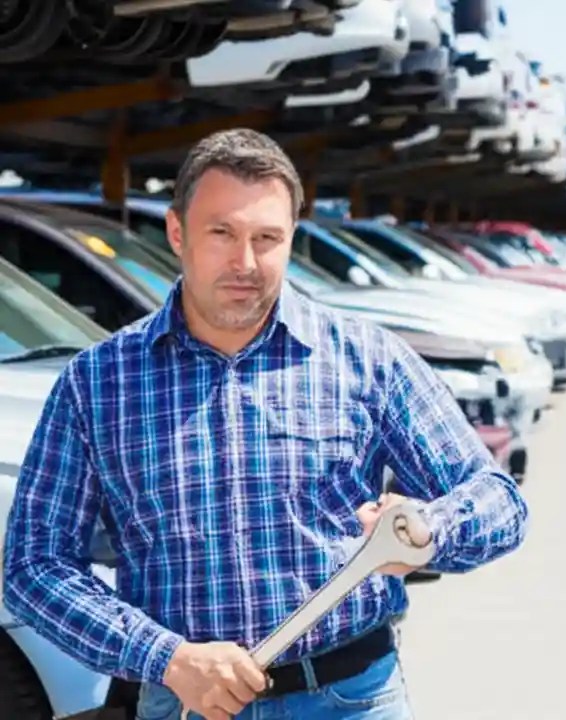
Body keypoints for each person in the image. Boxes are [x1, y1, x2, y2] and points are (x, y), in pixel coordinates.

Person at [2, 129, 529, 720]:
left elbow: (499, 502)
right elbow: (32, 567)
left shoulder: (367, 358)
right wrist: (167, 658)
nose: (245, 262)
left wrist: (432, 529)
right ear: (177, 232)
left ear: (291, 239)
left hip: (350, 699)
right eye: (221, 233)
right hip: (185, 705)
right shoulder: (97, 383)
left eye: (267, 238)